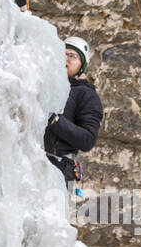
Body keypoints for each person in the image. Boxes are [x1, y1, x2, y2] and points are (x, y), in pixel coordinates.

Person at [44, 35, 104, 189]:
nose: (66, 58)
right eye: (62, 53)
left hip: (57, 168)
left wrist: (54, 121)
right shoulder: (44, 83)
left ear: (81, 66)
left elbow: (87, 139)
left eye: (72, 56)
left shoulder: (85, 94)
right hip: (30, 161)